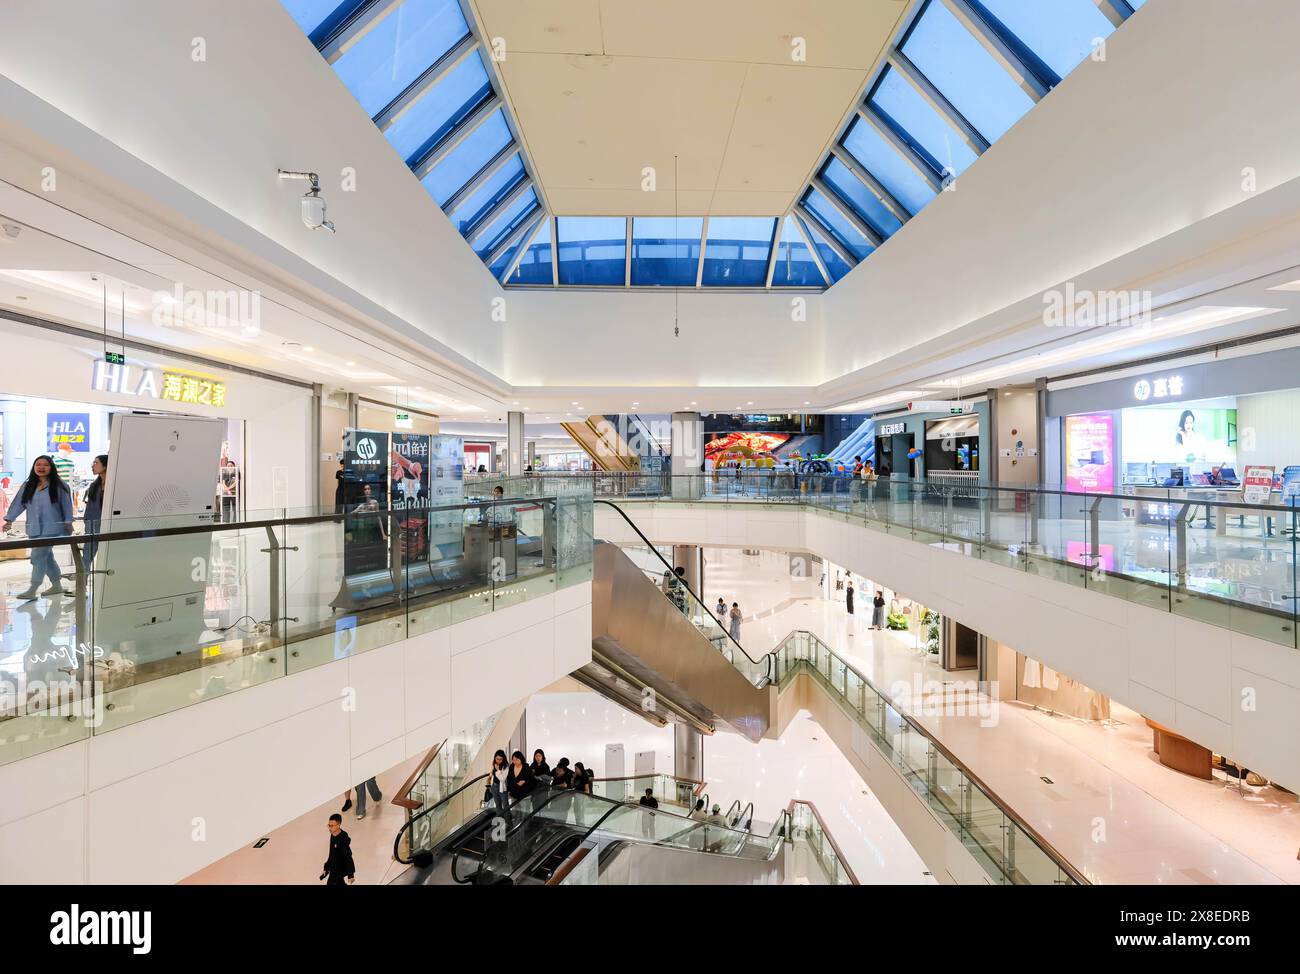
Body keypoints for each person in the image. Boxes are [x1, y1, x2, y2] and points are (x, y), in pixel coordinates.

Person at [2, 456, 75, 601]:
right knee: (47, 558)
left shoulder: (59, 485)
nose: (41, 467)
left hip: (53, 529)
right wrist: (9, 519)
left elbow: (67, 505)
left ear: (51, 467)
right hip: (34, 529)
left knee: (37, 556)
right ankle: (57, 585)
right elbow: (18, 504)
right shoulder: (28, 485)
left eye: (45, 465)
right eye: (38, 464)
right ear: (34, 467)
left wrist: (68, 522)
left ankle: (33, 588)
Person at [81, 454, 107, 568]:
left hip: (108, 525)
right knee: (87, 555)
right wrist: (87, 521)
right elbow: (89, 507)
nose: (93, 465)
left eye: (96, 463)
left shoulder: (113, 485)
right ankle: (82, 582)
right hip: (93, 525)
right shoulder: (94, 486)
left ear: (105, 466)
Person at [321, 813, 355, 885]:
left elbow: (348, 857)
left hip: (339, 869)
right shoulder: (333, 835)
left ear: (338, 825)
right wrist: (326, 867)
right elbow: (332, 854)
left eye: (332, 826)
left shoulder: (342, 839)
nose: (330, 828)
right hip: (334, 868)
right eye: (329, 825)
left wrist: (350, 875)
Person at [486, 749, 509, 814]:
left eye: (500, 759)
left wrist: (498, 769)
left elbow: (502, 779)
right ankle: (500, 822)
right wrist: (490, 776)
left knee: (505, 806)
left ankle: (508, 822)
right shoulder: (495, 764)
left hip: (502, 788)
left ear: (503, 759)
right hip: (494, 786)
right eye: (497, 759)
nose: (498, 761)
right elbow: (493, 772)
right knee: (498, 806)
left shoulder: (506, 766)